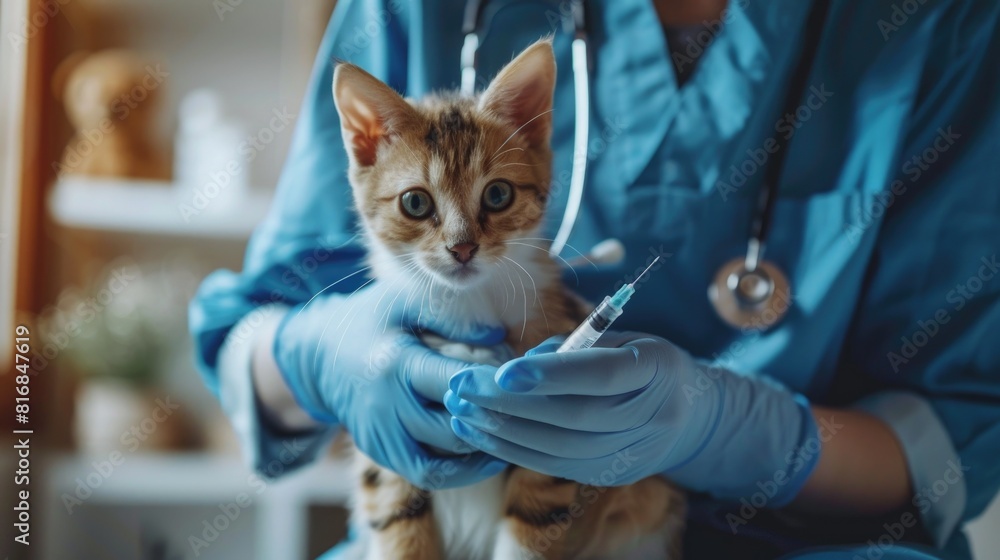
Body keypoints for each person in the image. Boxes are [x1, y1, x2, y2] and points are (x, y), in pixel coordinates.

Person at [189, 1, 1000, 558]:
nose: (464, 236)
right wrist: (312, 353)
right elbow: (249, 338)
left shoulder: (936, 27)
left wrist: (738, 430)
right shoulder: (423, 8)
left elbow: (950, 434)